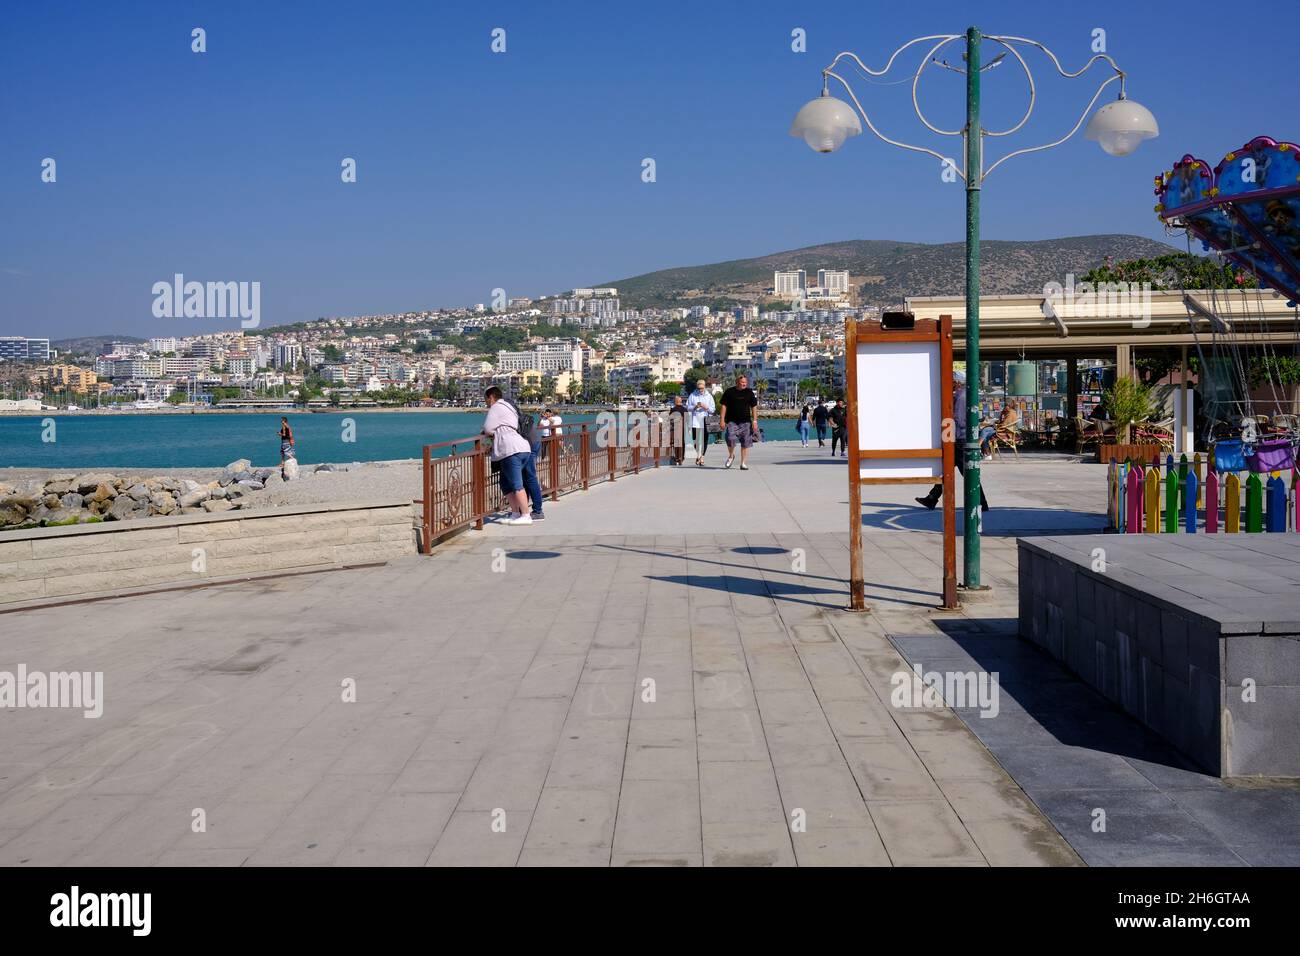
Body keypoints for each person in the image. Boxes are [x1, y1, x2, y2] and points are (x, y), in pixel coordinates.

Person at [916, 371, 990, 513]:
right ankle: (932, 498)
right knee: (948, 471)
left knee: (966, 473)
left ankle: (981, 502)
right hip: (958, 439)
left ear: (957, 382)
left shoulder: (961, 397)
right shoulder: (962, 395)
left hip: (959, 440)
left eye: (951, 380)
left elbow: (960, 420)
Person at [482, 386, 539, 525]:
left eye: (486, 400)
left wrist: (489, 434)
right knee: (505, 482)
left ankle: (525, 515)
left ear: (491, 398)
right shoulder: (510, 406)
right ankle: (515, 512)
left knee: (516, 484)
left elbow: (488, 428)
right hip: (523, 447)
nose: (486, 403)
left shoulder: (496, 407)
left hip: (511, 449)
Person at [720, 374, 759, 470]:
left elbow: (754, 407)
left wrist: (754, 421)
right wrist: (722, 420)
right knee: (730, 438)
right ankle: (731, 455)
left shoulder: (749, 392)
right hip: (732, 421)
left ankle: (743, 463)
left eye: (745, 382)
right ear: (737, 382)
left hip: (746, 422)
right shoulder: (729, 392)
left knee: (745, 442)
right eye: (742, 382)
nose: (744, 384)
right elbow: (723, 406)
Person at [685, 378, 715, 466]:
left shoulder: (709, 396)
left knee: (705, 440)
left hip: (705, 420)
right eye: (699, 388)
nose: (700, 390)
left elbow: (712, 410)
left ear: (705, 387)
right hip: (695, 421)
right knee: (695, 439)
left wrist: (706, 407)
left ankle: (702, 457)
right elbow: (687, 407)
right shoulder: (693, 395)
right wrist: (695, 407)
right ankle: (698, 455)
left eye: (702, 388)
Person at [667, 394, 689, 465]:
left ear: (675, 402)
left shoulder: (673, 410)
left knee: (676, 443)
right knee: (683, 443)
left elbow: (670, 420)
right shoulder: (685, 409)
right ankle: (681, 458)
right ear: (681, 401)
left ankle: (677, 457)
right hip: (683, 429)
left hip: (675, 429)